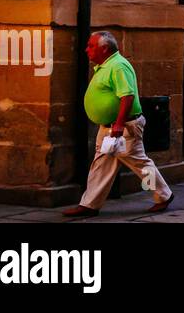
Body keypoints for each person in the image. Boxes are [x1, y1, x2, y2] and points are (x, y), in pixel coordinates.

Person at [62, 31, 173, 217]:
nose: (86, 49)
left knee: (140, 163)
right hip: (108, 127)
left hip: (124, 127)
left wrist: (119, 125)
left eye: (91, 46)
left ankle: (164, 194)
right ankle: (89, 204)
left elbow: (127, 96)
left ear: (104, 48)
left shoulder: (118, 66)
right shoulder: (106, 65)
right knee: (101, 164)